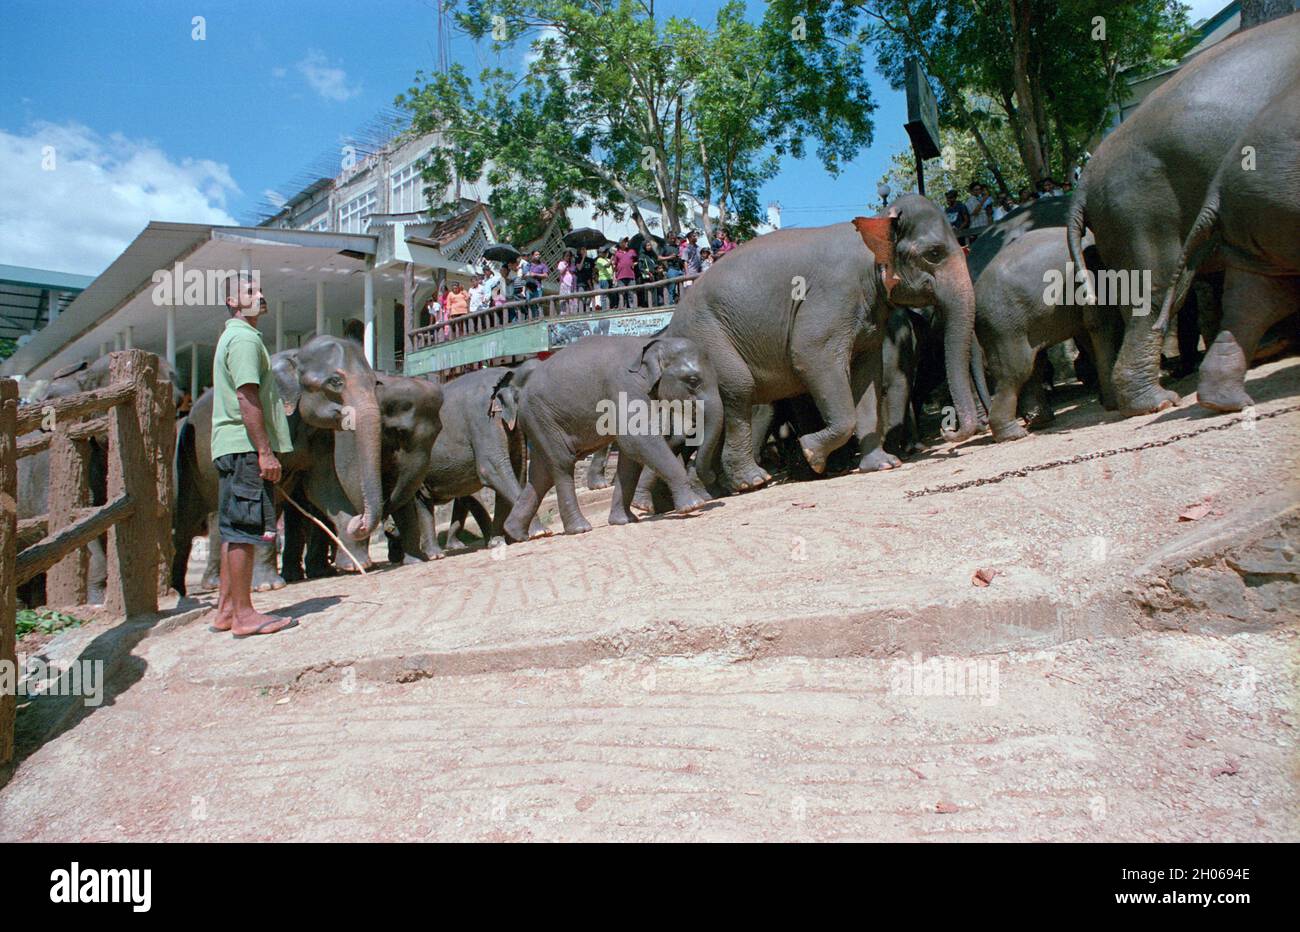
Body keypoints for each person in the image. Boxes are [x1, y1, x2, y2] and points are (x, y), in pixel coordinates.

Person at [209, 272, 296, 638]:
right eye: (249, 291)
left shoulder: (235, 337)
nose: (260, 295)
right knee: (244, 528)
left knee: (233, 528)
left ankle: (227, 609)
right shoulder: (243, 340)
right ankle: (244, 616)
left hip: (231, 445)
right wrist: (265, 452)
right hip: (245, 446)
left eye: (260, 289)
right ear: (232, 302)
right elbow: (247, 398)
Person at [613, 237, 637, 308]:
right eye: (625, 241)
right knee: (621, 294)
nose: (627, 243)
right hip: (620, 276)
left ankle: (633, 310)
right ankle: (623, 310)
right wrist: (614, 276)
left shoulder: (632, 251)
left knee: (631, 293)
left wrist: (634, 264)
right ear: (620, 244)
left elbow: (637, 260)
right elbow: (615, 265)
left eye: (627, 241)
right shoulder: (617, 253)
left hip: (630, 276)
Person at [557, 249, 578, 315]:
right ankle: (563, 314)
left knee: (573, 301)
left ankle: (573, 314)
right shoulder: (561, 263)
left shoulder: (572, 264)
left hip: (572, 285)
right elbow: (561, 272)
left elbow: (574, 271)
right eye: (566, 256)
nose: (568, 257)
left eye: (569, 256)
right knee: (563, 300)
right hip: (564, 284)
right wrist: (566, 266)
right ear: (563, 256)